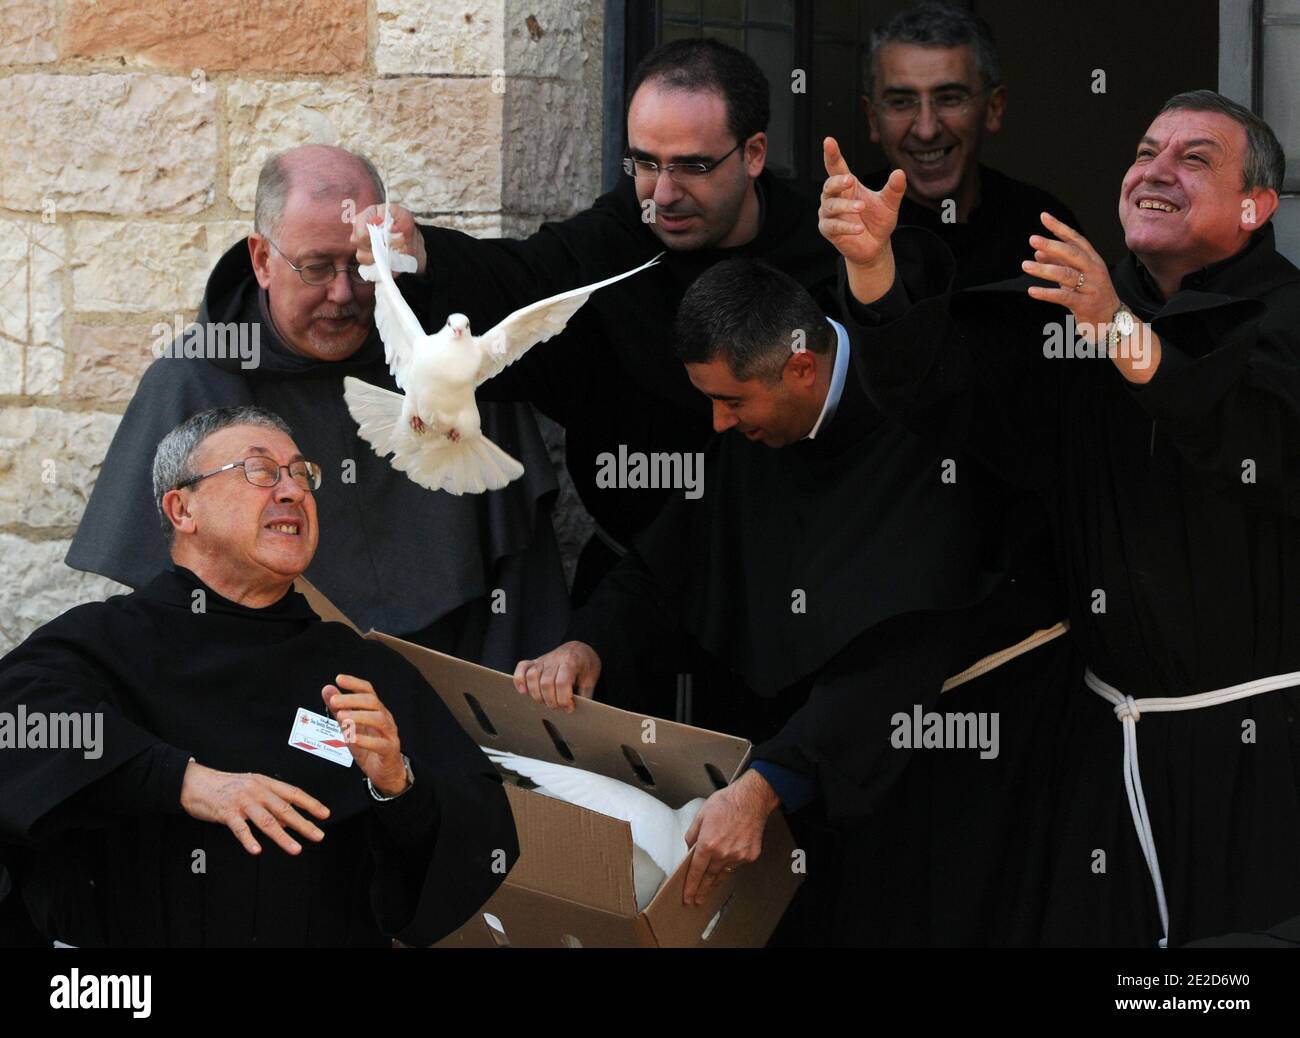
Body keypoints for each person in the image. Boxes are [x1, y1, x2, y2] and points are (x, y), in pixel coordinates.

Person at [825, 89, 1300, 947]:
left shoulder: (1286, 320)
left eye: (1194, 159)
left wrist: (1119, 333)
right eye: (1145, 152)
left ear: (1254, 207)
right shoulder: (1070, 311)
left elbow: (1254, 443)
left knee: (1227, 980)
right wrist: (873, 270)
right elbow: (952, 392)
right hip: (1101, 744)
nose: (1155, 170)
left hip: (1259, 755)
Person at [510, 258, 1073, 946]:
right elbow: (671, 564)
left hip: (964, 746)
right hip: (822, 752)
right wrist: (588, 641)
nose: (718, 423)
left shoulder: (923, 416)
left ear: (801, 368)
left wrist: (767, 784)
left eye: (733, 402)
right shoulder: (766, 423)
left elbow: (903, 649)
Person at [0, 406, 517, 947]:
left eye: (301, 474)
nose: (292, 492)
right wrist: (183, 781)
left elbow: (481, 838)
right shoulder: (104, 642)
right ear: (183, 508)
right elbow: (18, 725)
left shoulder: (362, 672)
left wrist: (398, 784)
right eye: (260, 471)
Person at [352, 39, 837, 609]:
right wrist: (422, 255)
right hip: (630, 592)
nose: (663, 194)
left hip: (793, 590)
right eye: (646, 163)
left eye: (693, 166)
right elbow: (519, 282)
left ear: (753, 154)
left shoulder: (824, 246)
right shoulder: (611, 240)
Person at [66, 144, 569, 671]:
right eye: (316, 268)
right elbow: (169, 615)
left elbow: (520, 580)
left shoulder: (447, 360)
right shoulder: (192, 383)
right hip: (265, 683)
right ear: (263, 260)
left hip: (450, 682)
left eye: (360, 266)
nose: (342, 293)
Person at [861, 1, 1081, 287]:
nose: (926, 130)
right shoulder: (842, 232)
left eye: (950, 98)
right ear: (873, 119)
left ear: (993, 108)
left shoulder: (1045, 230)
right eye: (901, 102)